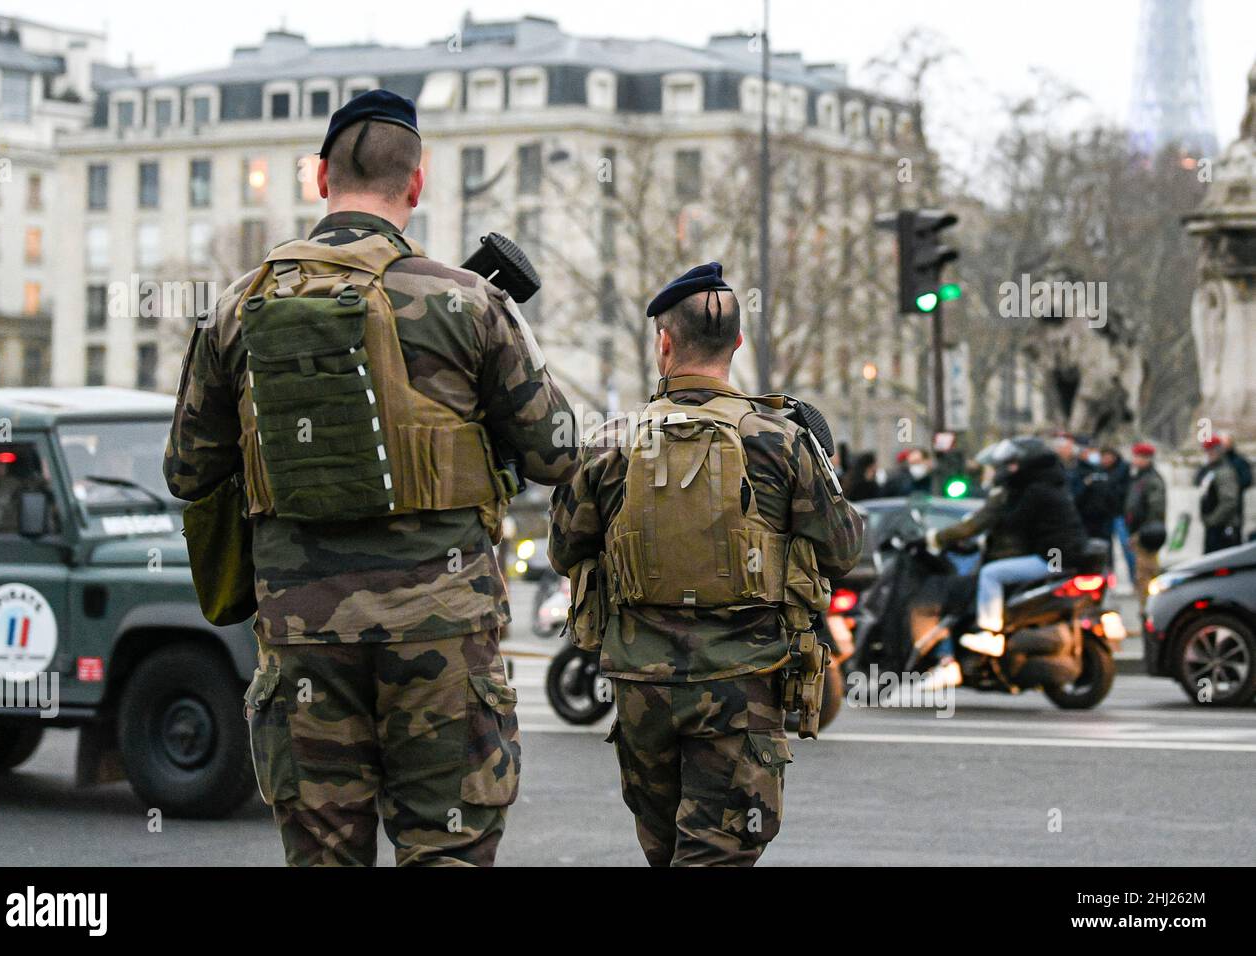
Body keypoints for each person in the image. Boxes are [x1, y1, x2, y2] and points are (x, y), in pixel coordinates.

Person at [164, 90, 576, 866]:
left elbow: (188, 470)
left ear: (320, 177)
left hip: (303, 637)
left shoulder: (237, 307)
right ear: (415, 187)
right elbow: (558, 453)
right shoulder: (468, 302)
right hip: (443, 636)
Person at [548, 262, 863, 866]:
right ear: (737, 344)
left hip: (644, 693)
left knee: (666, 853)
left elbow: (566, 549)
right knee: (716, 855)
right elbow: (844, 548)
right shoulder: (781, 439)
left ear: (663, 342)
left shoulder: (612, 442)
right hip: (742, 688)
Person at [925, 437, 1088, 687]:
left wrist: (1000, 516)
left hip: (1051, 558)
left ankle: (990, 632)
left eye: (1012, 466)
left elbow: (1014, 521)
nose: (1009, 471)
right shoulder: (1053, 486)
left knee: (991, 573)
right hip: (1063, 555)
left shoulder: (1034, 492)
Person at [1124, 442, 1167, 612]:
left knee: (1147, 574)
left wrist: (1143, 533)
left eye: (1138, 457)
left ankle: (1150, 610)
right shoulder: (1140, 477)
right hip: (1139, 532)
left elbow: (1155, 510)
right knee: (1143, 574)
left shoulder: (1151, 479)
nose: (1135, 460)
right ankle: (1147, 608)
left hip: (1146, 535)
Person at [1197, 436, 1241, 553]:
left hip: (1223, 527)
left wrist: (1212, 520)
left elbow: (1229, 501)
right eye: (1207, 451)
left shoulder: (1224, 472)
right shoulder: (1211, 470)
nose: (1208, 454)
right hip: (1214, 527)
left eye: (1211, 451)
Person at [1101, 445, 1135, 582]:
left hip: (1121, 515)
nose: (1105, 460)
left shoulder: (1124, 470)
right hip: (1106, 515)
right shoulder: (1100, 471)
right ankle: (1110, 580)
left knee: (1127, 548)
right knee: (1107, 551)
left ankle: (1134, 579)